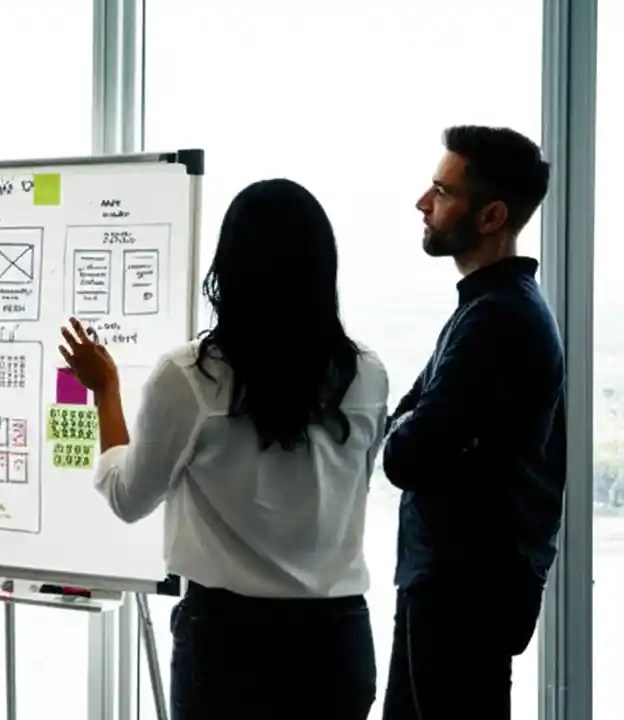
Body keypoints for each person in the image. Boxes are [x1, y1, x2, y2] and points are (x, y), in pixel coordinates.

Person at [59, 178, 390, 719]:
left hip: (229, 644)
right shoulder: (368, 375)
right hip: (337, 641)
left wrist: (105, 392)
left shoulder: (190, 376)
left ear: (230, 269)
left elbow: (128, 498)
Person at [381, 126, 565, 719]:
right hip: (456, 586)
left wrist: (418, 430)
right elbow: (413, 421)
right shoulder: (490, 307)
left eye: (441, 190)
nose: (422, 203)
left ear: (490, 216)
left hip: (462, 593)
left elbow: (405, 453)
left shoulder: (498, 320)